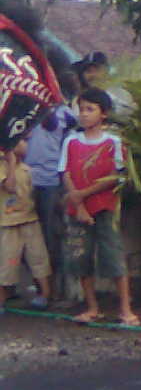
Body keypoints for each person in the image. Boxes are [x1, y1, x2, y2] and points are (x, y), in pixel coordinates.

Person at [60, 87, 139, 326]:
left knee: (114, 257)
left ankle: (125, 309)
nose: (84, 114)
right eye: (81, 109)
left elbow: (117, 176)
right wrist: (78, 202)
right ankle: (92, 307)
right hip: (78, 210)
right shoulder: (71, 141)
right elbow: (65, 172)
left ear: (103, 114)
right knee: (81, 259)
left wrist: (83, 194)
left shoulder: (114, 142)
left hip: (105, 207)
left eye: (89, 109)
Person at [24, 88, 76, 301]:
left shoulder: (65, 114)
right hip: (26, 181)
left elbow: (71, 143)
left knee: (50, 234)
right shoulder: (26, 109)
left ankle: (53, 289)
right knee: (27, 235)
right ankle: (38, 286)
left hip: (51, 182)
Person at [0, 138, 52, 308]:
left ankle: (44, 294)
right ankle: (3, 298)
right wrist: (11, 162)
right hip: (9, 223)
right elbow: (10, 187)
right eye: (19, 142)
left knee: (38, 257)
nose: (24, 145)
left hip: (29, 220)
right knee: (9, 261)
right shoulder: (2, 168)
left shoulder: (27, 169)